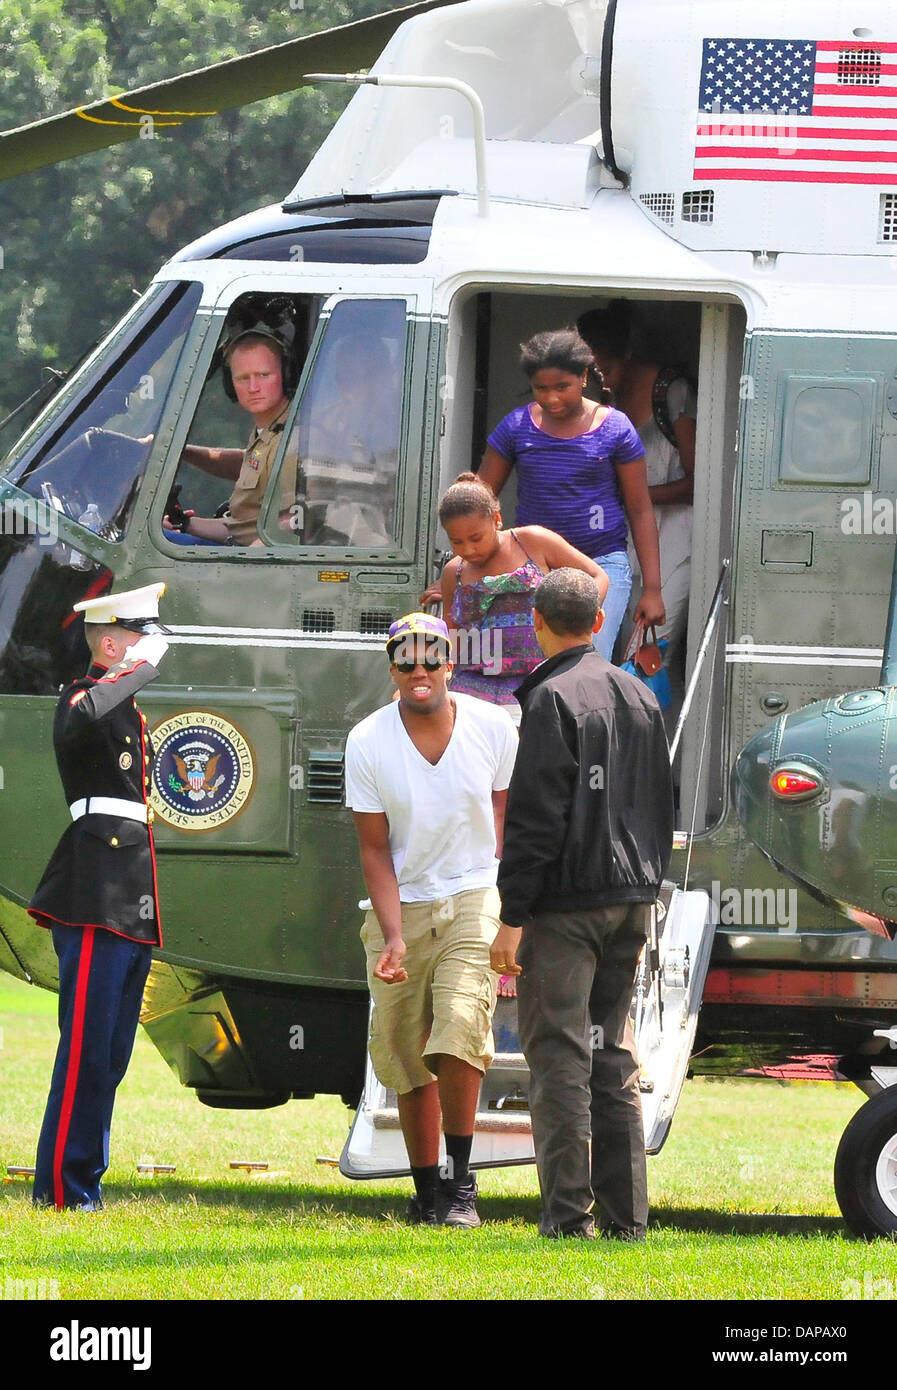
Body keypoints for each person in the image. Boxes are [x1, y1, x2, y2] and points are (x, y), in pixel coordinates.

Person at [490, 569, 674, 1240]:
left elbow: (535, 819)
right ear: (598, 623)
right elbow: (661, 802)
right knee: (611, 1053)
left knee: (561, 1056)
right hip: (631, 898)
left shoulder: (549, 701)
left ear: (536, 624)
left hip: (568, 904)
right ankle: (627, 1221)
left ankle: (568, 1219)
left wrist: (513, 915)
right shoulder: (639, 695)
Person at [345, 612, 518, 1228]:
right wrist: (392, 935)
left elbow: (504, 822)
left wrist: (510, 913)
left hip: (474, 892)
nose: (419, 672)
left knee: (459, 1027)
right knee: (403, 1051)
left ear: (451, 662)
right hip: (404, 904)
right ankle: (424, 1190)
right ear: (391, 669)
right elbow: (373, 847)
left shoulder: (494, 727)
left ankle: (461, 1183)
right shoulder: (366, 740)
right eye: (405, 661)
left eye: (431, 659)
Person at [30, 583, 170, 1211]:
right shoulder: (83, 700)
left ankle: (84, 1177)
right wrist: (142, 665)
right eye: (140, 635)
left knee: (109, 1053)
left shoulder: (125, 710)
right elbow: (83, 716)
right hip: (93, 890)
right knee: (86, 1046)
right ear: (111, 642)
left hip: (127, 891)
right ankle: (62, 1187)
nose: (151, 647)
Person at [476, 329, 664, 660]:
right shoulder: (517, 426)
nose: (551, 398)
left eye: (562, 387)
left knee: (586, 666)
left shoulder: (616, 428)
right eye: (541, 388)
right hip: (532, 570)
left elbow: (640, 509)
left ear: (584, 376)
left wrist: (652, 589)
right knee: (532, 669)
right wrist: (463, 569)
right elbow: (478, 503)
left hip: (601, 566)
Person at [578, 301, 696, 708]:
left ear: (625, 355)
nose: (598, 381)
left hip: (674, 540)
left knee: (651, 652)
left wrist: (636, 498)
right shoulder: (601, 401)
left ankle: (653, 762)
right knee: (614, 649)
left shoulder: (672, 392)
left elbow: (697, 483)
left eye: (603, 370)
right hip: (621, 543)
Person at [434, 471, 609, 725]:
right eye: (456, 542)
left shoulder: (533, 541)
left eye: (476, 538)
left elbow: (596, 575)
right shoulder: (454, 571)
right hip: (472, 690)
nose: (468, 550)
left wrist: (579, 620)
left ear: (497, 520)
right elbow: (451, 633)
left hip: (538, 681)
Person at [164, 327, 296, 547]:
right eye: (243, 378)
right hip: (238, 549)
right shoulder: (267, 432)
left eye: (263, 375)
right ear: (230, 384)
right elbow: (237, 528)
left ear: (285, 374)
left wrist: (247, 564)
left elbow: (300, 518)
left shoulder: (291, 438)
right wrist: (183, 523)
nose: (253, 387)